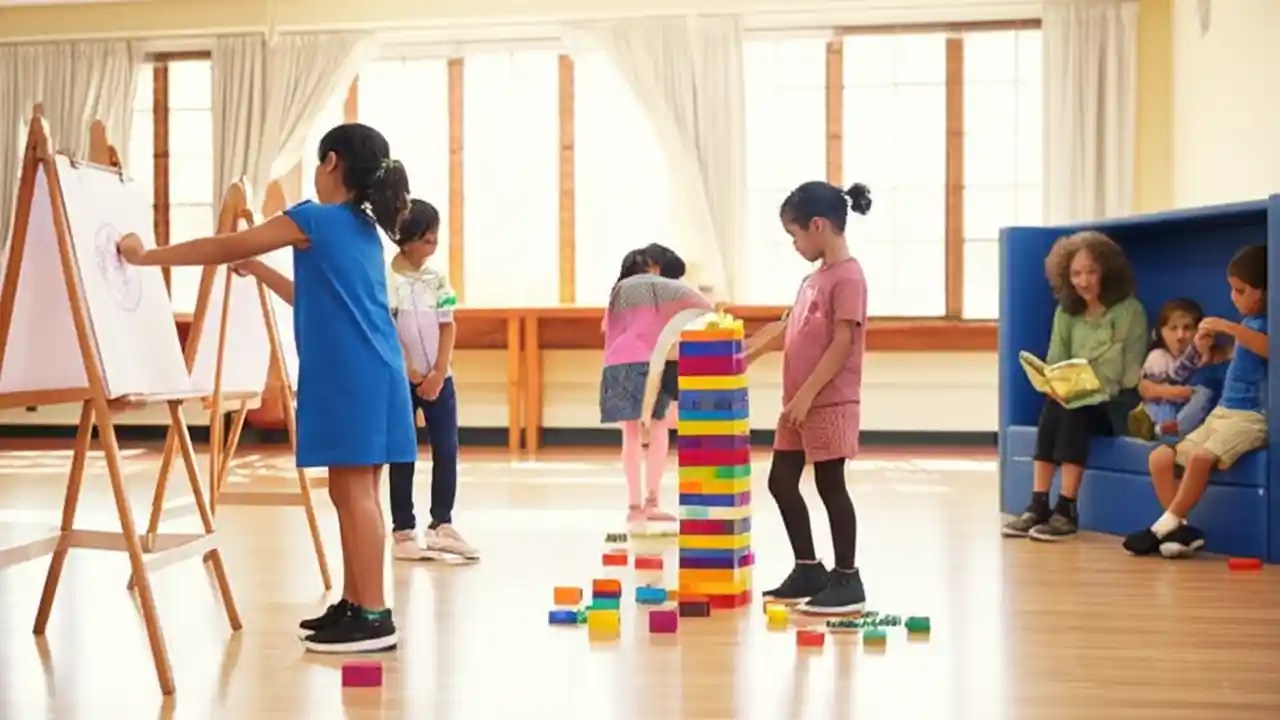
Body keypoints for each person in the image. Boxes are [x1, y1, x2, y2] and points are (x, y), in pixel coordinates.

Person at [118, 122, 415, 654]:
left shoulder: (314, 218)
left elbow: (220, 244)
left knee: (355, 493)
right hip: (373, 368)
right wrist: (258, 268)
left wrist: (146, 256)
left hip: (352, 372)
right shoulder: (359, 228)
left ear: (330, 163)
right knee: (356, 493)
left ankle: (373, 615)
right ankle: (356, 602)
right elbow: (314, 296)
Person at [746, 181, 872, 615]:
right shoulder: (811, 279)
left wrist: (807, 396)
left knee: (829, 484)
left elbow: (842, 345)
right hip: (797, 403)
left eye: (795, 235)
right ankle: (808, 568)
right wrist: (748, 352)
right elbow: (789, 325)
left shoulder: (849, 277)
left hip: (828, 401)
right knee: (781, 481)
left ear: (818, 226)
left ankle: (847, 578)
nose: (795, 245)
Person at [1001, 230, 1147, 542]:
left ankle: (1066, 508)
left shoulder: (1130, 310)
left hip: (1115, 402)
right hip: (1073, 396)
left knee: (1075, 409)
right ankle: (1039, 503)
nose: (1083, 281)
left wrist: (1090, 387)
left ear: (1107, 272)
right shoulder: (1066, 312)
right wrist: (1054, 383)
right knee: (1056, 406)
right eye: (1076, 273)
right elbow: (1055, 359)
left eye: (1091, 272)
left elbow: (1130, 375)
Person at [1123, 244, 1268, 558]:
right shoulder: (1247, 326)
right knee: (1160, 457)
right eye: (1232, 289)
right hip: (1223, 412)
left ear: (1265, 292)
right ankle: (1181, 530)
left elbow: (1270, 349)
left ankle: (1161, 526)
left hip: (1252, 417)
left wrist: (1228, 328)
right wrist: (1200, 346)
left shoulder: (1264, 324)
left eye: (1240, 291)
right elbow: (1182, 373)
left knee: (1202, 458)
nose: (1233, 297)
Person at [385, 199, 477, 561]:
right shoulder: (386, 277)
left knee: (446, 449)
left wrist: (439, 371)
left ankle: (441, 525)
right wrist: (408, 368)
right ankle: (403, 529)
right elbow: (388, 327)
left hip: (440, 378)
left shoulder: (438, 277)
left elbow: (447, 323)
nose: (433, 244)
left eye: (436, 237)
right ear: (405, 240)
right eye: (426, 238)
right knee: (402, 453)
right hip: (401, 379)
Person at [600, 248, 712, 528]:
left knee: (630, 435)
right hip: (647, 364)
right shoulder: (655, 288)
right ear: (653, 266)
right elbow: (702, 305)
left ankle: (634, 505)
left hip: (616, 364)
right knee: (659, 429)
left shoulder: (617, 294)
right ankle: (651, 502)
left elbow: (609, 330)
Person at [1127, 298, 1229, 442]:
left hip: (1201, 420)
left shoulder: (1214, 357)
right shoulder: (1158, 357)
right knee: (1165, 406)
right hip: (1165, 410)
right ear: (1161, 332)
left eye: (1187, 328)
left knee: (1204, 394)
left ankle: (1175, 430)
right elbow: (1160, 385)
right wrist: (1182, 392)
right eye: (1173, 328)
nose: (1180, 336)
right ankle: (1163, 431)